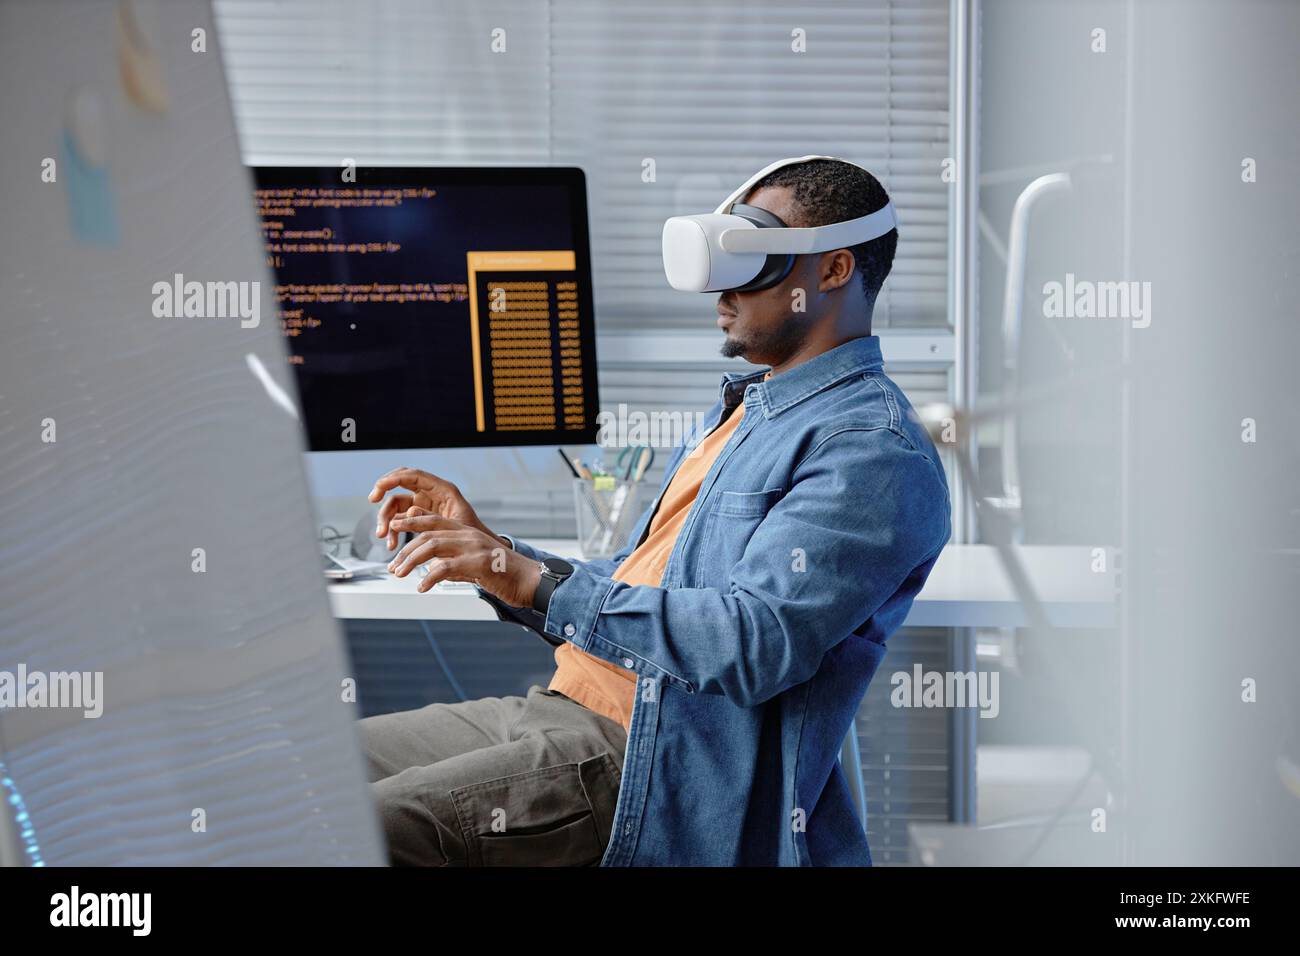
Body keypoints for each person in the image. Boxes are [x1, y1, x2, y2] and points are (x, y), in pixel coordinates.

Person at [360, 157, 951, 866]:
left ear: (833, 271)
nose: (723, 291)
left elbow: (754, 642)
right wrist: (495, 556)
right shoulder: (746, 411)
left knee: (356, 831)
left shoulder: (871, 450)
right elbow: (651, 588)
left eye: (754, 256)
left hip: (649, 758)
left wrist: (534, 581)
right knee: (305, 774)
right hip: (561, 707)